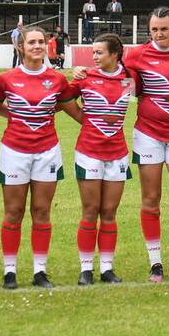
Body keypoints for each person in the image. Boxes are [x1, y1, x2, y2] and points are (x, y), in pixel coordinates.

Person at [96, 7, 169, 282]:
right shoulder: (136, 55)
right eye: (154, 29)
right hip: (148, 135)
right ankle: (155, 264)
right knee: (151, 199)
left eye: (164, 29)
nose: (159, 34)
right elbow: (120, 81)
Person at [0, 26, 68, 289]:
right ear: (20, 47)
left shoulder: (57, 79)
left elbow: (63, 105)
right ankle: (9, 271)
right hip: (14, 151)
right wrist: (15, 117)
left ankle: (39, 271)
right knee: (13, 212)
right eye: (31, 42)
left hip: (47, 152)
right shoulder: (6, 79)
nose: (37, 46)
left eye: (41, 42)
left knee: (41, 211)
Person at [59, 33, 135, 285]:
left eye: (99, 52)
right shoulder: (86, 77)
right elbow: (64, 99)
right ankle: (85, 269)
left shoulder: (129, 79)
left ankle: (107, 268)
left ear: (115, 55)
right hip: (88, 152)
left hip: (117, 154)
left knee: (110, 212)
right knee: (90, 210)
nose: (94, 57)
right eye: (93, 53)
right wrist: (82, 118)